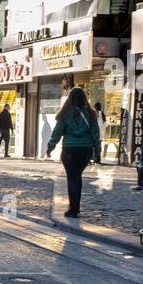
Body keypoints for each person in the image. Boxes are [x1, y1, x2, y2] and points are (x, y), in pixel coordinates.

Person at [46, 86, 101, 219]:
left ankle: (73, 209)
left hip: (69, 150)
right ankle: (75, 207)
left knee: (72, 177)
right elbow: (95, 134)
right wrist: (98, 152)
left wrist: (50, 147)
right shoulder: (91, 113)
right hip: (85, 150)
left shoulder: (65, 112)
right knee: (78, 177)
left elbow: (57, 132)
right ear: (84, 98)